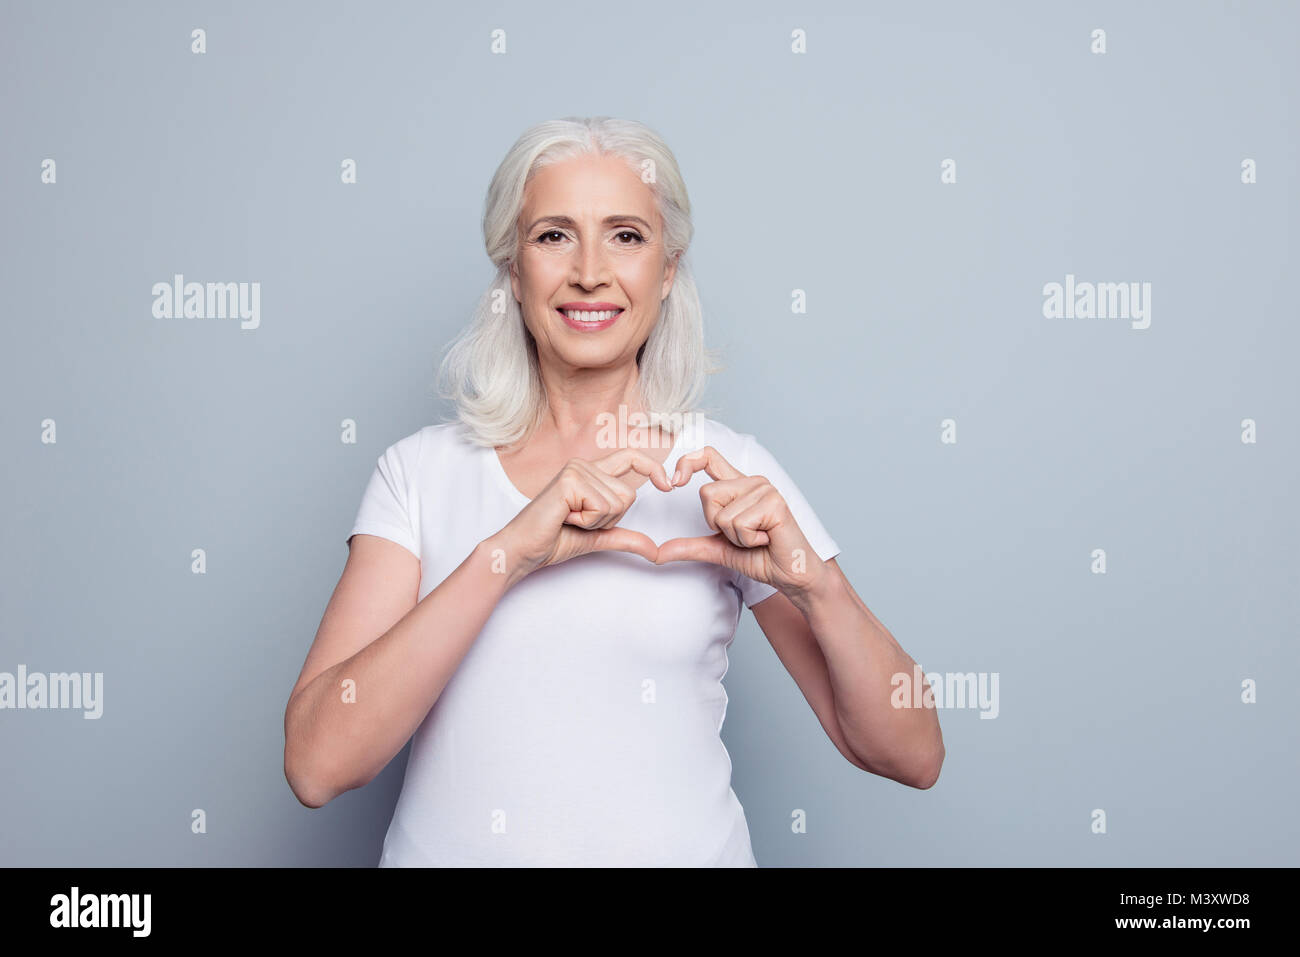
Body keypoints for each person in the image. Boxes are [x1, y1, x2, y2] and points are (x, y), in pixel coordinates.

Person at [283, 116, 944, 866]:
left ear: (666, 271)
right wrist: (506, 554)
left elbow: (912, 753)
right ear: (512, 270)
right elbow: (316, 764)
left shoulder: (722, 472)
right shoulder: (419, 474)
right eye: (554, 236)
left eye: (626, 235)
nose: (590, 271)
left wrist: (819, 587)